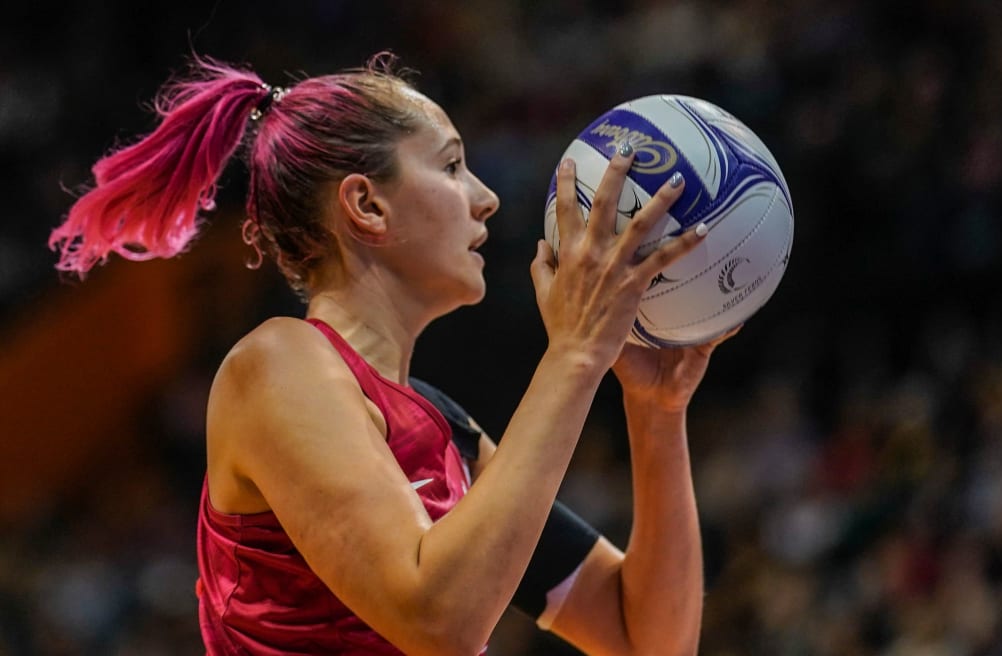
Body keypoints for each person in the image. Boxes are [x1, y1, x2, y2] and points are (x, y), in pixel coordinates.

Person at [50, 53, 735, 655]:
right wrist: (577, 356)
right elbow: (437, 622)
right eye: (453, 166)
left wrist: (655, 412)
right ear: (367, 205)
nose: (487, 198)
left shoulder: (451, 436)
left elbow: (651, 641)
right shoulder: (277, 365)